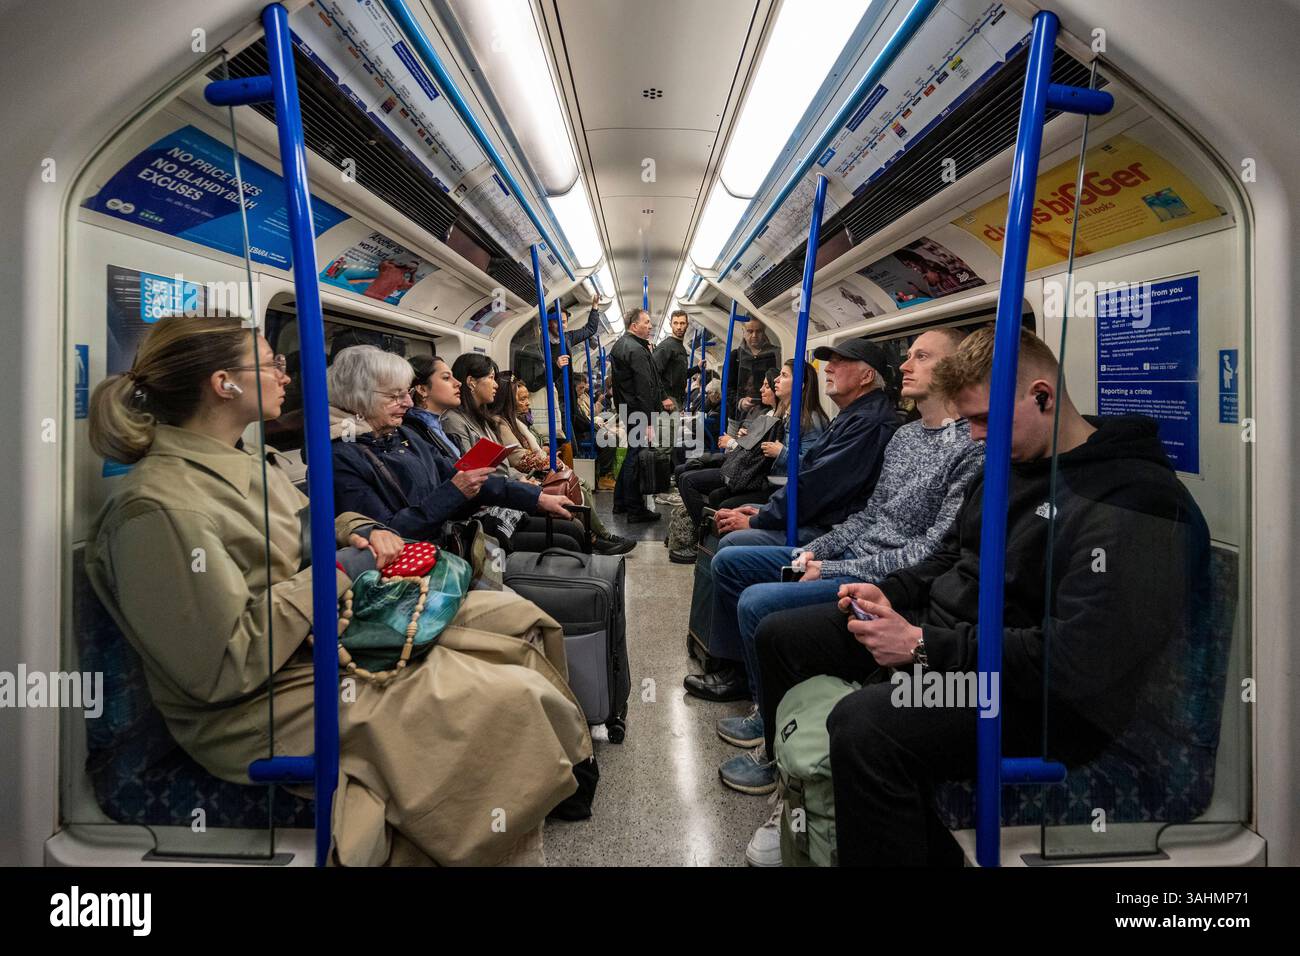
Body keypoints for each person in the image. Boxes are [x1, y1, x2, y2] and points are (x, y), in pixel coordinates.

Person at [83, 316, 591, 866]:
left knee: (514, 641)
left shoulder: (254, 462)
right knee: (502, 702)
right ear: (223, 383)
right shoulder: (155, 510)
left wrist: (355, 528)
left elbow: (309, 526)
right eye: (270, 362)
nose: (285, 374)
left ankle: (531, 809)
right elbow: (224, 667)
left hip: (310, 646)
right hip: (255, 706)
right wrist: (336, 571)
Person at [751, 325, 1209, 866]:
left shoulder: (1135, 503)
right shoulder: (1007, 466)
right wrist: (887, 593)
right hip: (954, 642)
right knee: (781, 635)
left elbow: (1077, 663)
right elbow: (949, 556)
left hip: (1030, 697)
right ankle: (807, 804)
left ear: (1040, 396)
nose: (972, 436)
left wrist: (923, 647)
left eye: (983, 420)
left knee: (864, 724)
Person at [690, 330, 985, 822]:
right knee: (738, 559)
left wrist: (833, 566)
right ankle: (759, 699)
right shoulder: (906, 437)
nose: (906, 365)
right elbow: (870, 517)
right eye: (906, 354)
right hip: (851, 552)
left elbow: (930, 550)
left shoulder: (971, 447)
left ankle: (772, 740)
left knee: (760, 603)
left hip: (891, 580)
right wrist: (811, 553)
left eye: (922, 357)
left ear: (957, 372)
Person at [327, 346, 575, 545]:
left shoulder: (403, 435)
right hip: (423, 562)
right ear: (359, 398)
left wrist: (536, 497)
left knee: (570, 532)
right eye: (395, 396)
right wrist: (454, 492)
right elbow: (390, 533)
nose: (407, 403)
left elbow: (461, 477)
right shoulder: (340, 459)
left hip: (450, 539)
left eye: (406, 393)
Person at [711, 337, 899, 548]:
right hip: (816, 513)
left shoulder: (868, 422)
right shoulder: (849, 416)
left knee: (731, 545)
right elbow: (812, 473)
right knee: (732, 511)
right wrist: (766, 511)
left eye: (839, 362)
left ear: (867, 376)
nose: (828, 369)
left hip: (828, 526)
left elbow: (818, 483)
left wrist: (759, 519)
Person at [441, 352, 589, 552]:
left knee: (574, 528)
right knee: (569, 536)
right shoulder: (454, 421)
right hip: (487, 507)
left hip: (504, 493)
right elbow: (473, 474)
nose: (495, 385)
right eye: (491, 378)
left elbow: (500, 466)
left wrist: (519, 478)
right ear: (472, 382)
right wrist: (519, 483)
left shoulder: (484, 420)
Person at [491, 368, 635, 556]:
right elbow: (519, 458)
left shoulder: (518, 421)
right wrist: (548, 460)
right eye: (522, 399)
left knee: (580, 486)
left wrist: (545, 453)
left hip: (533, 471)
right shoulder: (502, 423)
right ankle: (598, 537)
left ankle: (598, 536)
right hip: (527, 476)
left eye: (528, 398)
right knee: (579, 487)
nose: (527, 403)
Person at [609, 307, 671, 523]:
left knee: (631, 456)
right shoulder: (635, 350)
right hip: (638, 412)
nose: (650, 325)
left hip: (628, 410)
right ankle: (635, 510)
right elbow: (644, 386)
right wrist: (648, 419)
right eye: (646, 322)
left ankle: (620, 503)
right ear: (634, 326)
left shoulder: (623, 345)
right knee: (636, 460)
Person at [725, 319, 781, 423]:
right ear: (743, 331)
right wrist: (740, 402)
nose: (754, 335)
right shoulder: (735, 356)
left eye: (758, 331)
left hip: (767, 413)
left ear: (764, 332)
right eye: (750, 331)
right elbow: (726, 388)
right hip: (738, 416)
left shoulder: (774, 354)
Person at [653, 309, 691, 411]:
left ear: (687, 325)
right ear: (671, 324)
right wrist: (664, 398)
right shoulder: (666, 347)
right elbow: (653, 373)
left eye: (682, 323)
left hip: (677, 399)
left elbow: (679, 374)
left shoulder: (680, 347)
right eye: (676, 323)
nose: (679, 327)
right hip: (667, 399)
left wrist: (697, 368)